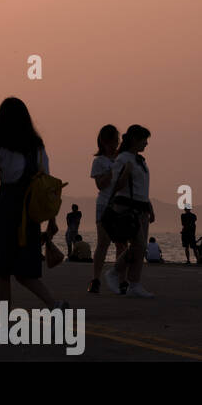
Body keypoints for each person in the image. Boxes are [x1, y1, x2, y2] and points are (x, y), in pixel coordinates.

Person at [0, 97, 65, 309]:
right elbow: (48, 186)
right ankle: (55, 305)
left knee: (2, 269)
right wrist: (51, 219)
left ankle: (5, 320)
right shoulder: (38, 148)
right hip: (30, 216)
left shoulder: (1, 149)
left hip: (7, 213)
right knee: (25, 271)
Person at [103, 125, 155, 298]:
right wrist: (125, 173)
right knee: (138, 244)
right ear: (134, 139)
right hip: (127, 207)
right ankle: (115, 272)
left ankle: (134, 283)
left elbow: (143, 187)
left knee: (140, 247)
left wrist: (149, 207)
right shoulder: (123, 159)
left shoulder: (140, 160)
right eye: (144, 140)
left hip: (141, 207)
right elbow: (116, 185)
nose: (146, 143)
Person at [89, 124, 124, 293]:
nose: (114, 145)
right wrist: (112, 170)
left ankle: (120, 278)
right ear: (103, 142)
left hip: (120, 204)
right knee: (103, 243)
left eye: (116, 141)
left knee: (121, 244)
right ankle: (96, 279)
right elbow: (100, 185)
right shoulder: (99, 162)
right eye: (112, 141)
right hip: (104, 205)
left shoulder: (122, 159)